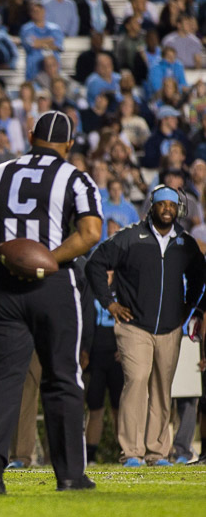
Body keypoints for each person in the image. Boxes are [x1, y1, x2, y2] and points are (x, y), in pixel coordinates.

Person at [0, 111, 103, 494]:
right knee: (62, 376)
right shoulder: (75, 178)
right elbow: (90, 232)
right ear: (69, 143)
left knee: (3, 375)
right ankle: (70, 475)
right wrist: (48, 262)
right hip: (55, 286)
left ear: (30, 135)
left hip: (3, 286)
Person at [86, 186, 205, 467]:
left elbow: (200, 279)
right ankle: (131, 451)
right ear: (152, 207)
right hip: (134, 326)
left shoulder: (185, 244)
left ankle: (157, 452)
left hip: (170, 329)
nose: (167, 209)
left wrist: (187, 310)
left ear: (179, 210)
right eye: (162, 204)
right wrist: (110, 303)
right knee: (137, 380)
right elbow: (95, 264)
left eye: (172, 206)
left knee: (163, 389)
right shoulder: (129, 237)